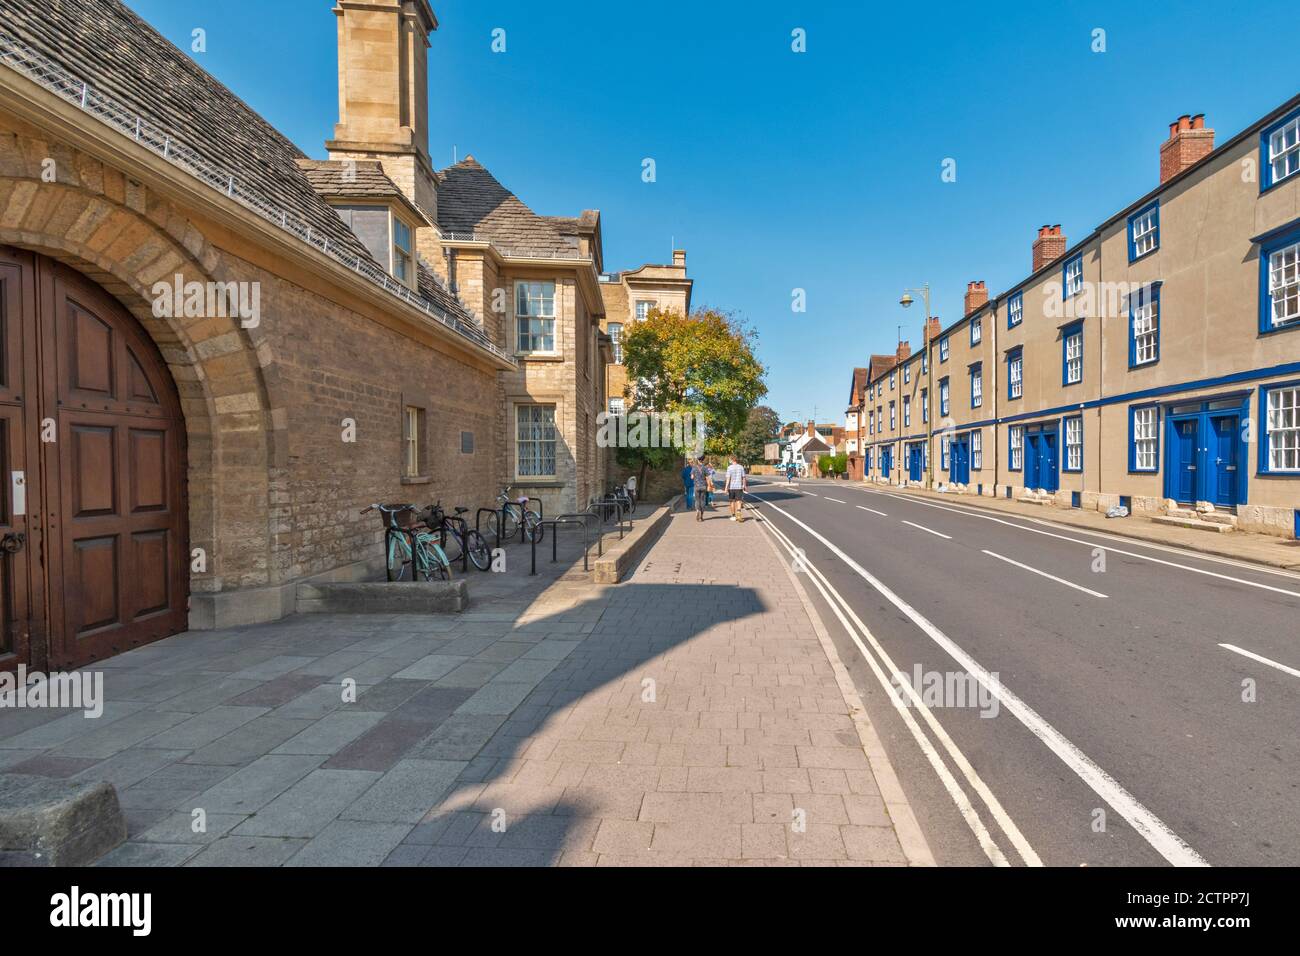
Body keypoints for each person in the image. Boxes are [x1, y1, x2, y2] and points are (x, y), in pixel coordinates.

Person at [725, 454, 748, 521]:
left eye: (730, 459)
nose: (729, 460)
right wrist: (744, 485)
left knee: (732, 501)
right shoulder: (741, 467)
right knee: (739, 501)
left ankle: (733, 516)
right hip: (739, 487)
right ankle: (738, 514)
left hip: (732, 488)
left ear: (732, 460)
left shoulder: (729, 468)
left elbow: (728, 478)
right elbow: (743, 477)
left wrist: (726, 488)